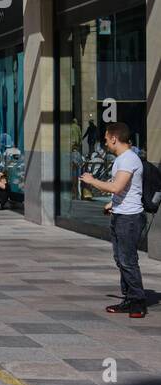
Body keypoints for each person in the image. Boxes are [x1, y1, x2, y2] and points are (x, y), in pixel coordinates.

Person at [79, 122, 149, 318]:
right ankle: (129, 298)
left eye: (106, 139)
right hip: (121, 214)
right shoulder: (123, 159)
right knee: (121, 259)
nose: (105, 143)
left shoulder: (128, 159)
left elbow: (117, 187)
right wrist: (112, 204)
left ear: (114, 138)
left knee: (127, 261)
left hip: (130, 218)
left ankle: (137, 301)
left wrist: (92, 181)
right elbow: (123, 189)